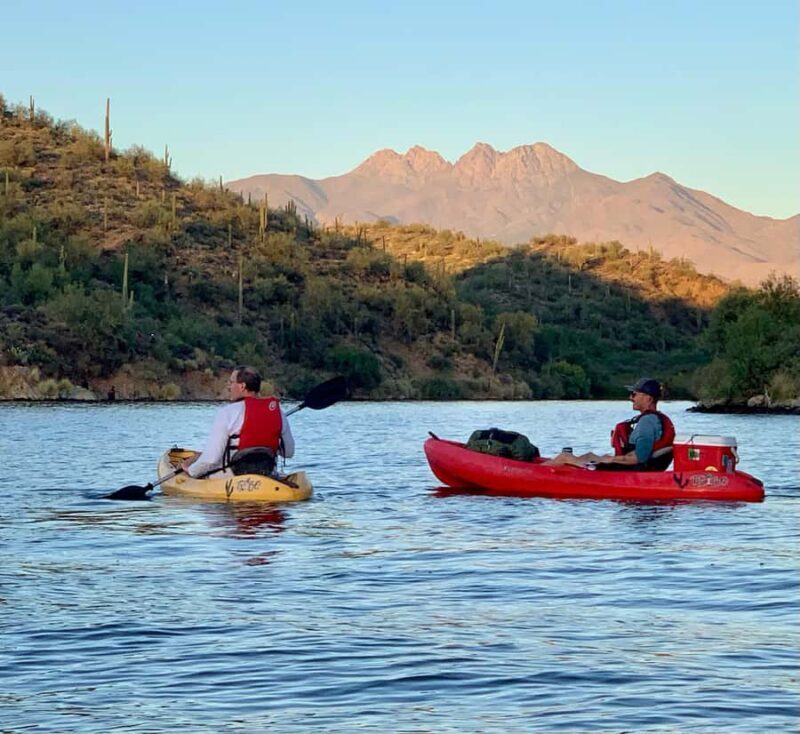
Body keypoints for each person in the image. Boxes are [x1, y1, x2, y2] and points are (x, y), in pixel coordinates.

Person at [181, 366, 294, 478]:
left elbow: (210, 460)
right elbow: (289, 452)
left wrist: (191, 471)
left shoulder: (226, 413)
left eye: (231, 382)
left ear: (242, 386)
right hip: (268, 474)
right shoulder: (279, 413)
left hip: (233, 477)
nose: (229, 386)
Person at [546, 377, 675, 470]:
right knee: (589, 455)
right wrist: (608, 458)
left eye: (634, 394)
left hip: (631, 471)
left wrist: (609, 459)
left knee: (565, 457)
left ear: (648, 398)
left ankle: (532, 473)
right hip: (633, 467)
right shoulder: (655, 419)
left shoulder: (647, 422)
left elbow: (639, 458)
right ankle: (539, 468)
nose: (631, 398)